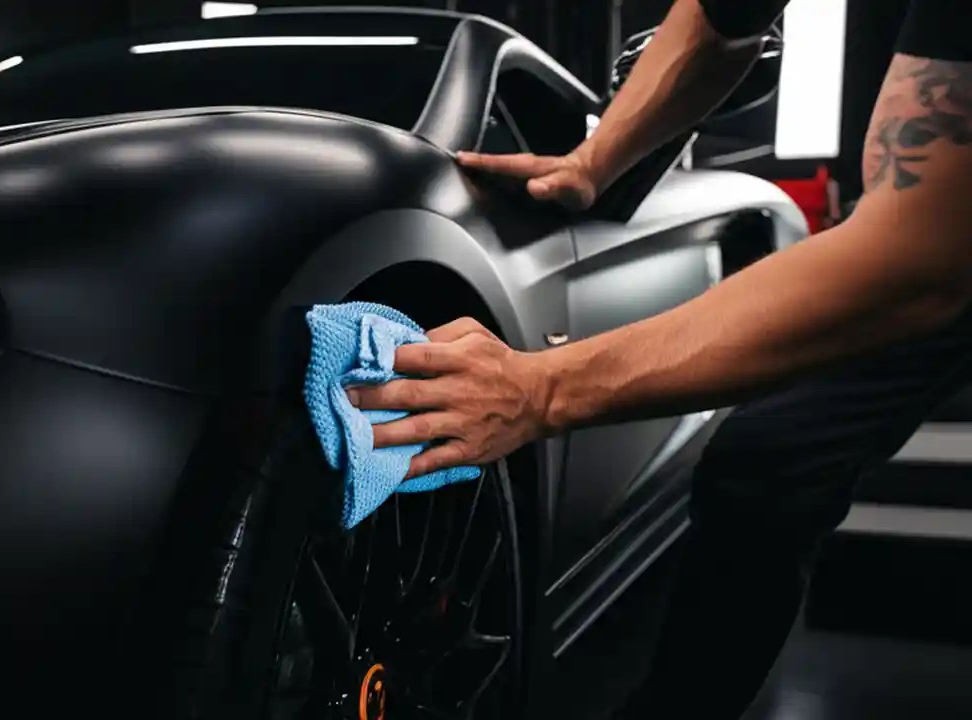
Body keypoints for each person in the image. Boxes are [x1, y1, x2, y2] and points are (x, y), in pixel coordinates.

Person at [346, 0, 972, 716]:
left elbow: (917, 258)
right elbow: (717, 25)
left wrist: (542, 389)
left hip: (936, 235)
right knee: (765, 462)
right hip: (934, 227)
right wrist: (591, 164)